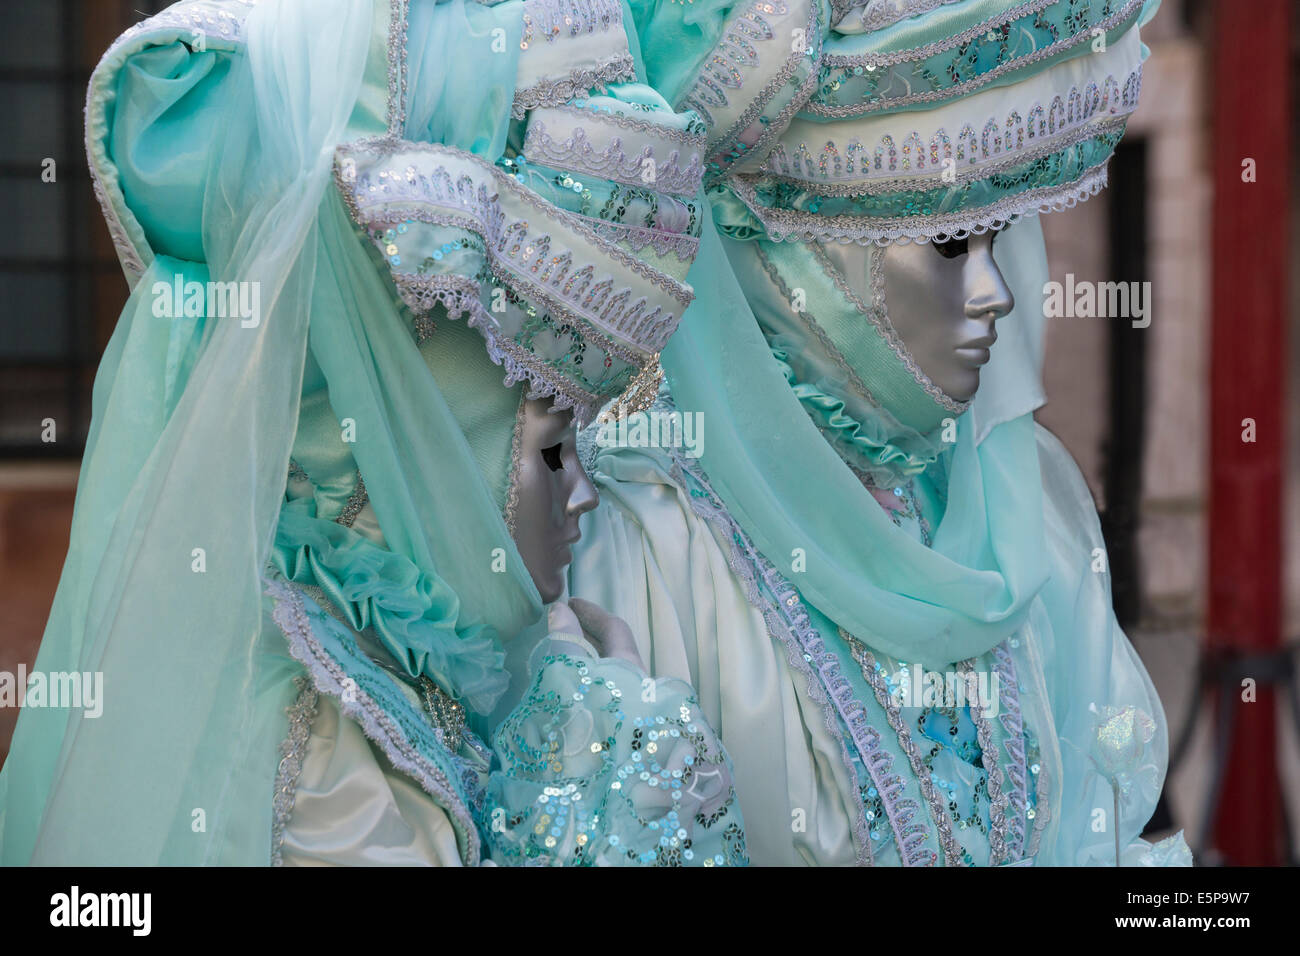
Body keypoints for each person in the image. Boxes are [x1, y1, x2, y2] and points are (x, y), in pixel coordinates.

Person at [0, 0, 746, 866]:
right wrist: (627, 769)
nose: (582, 493)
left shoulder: (383, 671)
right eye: (550, 448)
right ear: (412, 450)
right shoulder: (320, 754)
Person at [569, 0, 1192, 865]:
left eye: (997, 241)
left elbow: (1106, 837)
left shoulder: (1025, 511)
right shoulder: (635, 547)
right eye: (946, 244)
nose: (994, 294)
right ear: (788, 258)